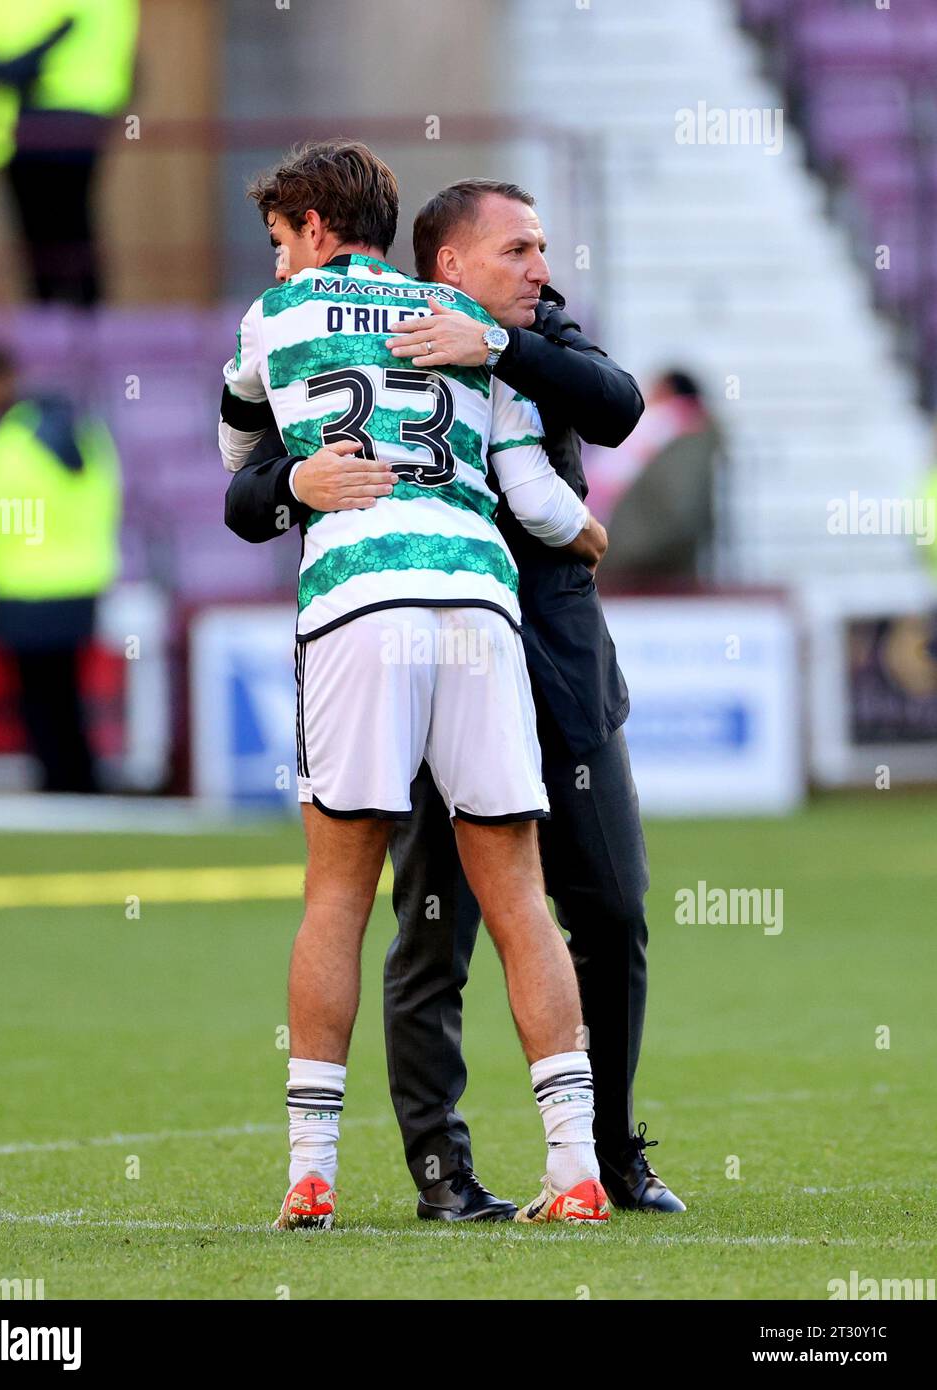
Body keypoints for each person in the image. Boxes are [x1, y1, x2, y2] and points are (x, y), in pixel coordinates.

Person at [225, 178, 686, 1218]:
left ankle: (332, 1167)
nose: (540, 270)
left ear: (307, 230)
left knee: (383, 899)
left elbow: (614, 405)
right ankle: (508, 1167)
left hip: (433, 629)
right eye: (518, 248)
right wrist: (583, 533)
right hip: (478, 613)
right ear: (442, 261)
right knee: (472, 910)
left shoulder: (305, 317)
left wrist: (493, 352)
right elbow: (528, 492)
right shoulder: (446, 325)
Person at [0, 379, 121, 792]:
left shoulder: (6, 447)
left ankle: (56, 784)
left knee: (36, 699)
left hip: (21, 591)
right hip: (81, 589)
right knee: (67, 694)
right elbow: (109, 504)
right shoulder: (90, 439)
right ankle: (82, 781)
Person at [0, 0, 139, 305]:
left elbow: (81, 26)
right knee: (38, 230)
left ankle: (82, 317)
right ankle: (53, 318)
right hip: (13, 123)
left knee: (68, 221)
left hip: (72, 114)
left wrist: (12, 65)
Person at [601, 369, 721, 587]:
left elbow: (676, 511)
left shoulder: (666, 427)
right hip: (660, 566)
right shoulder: (694, 437)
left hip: (639, 564)